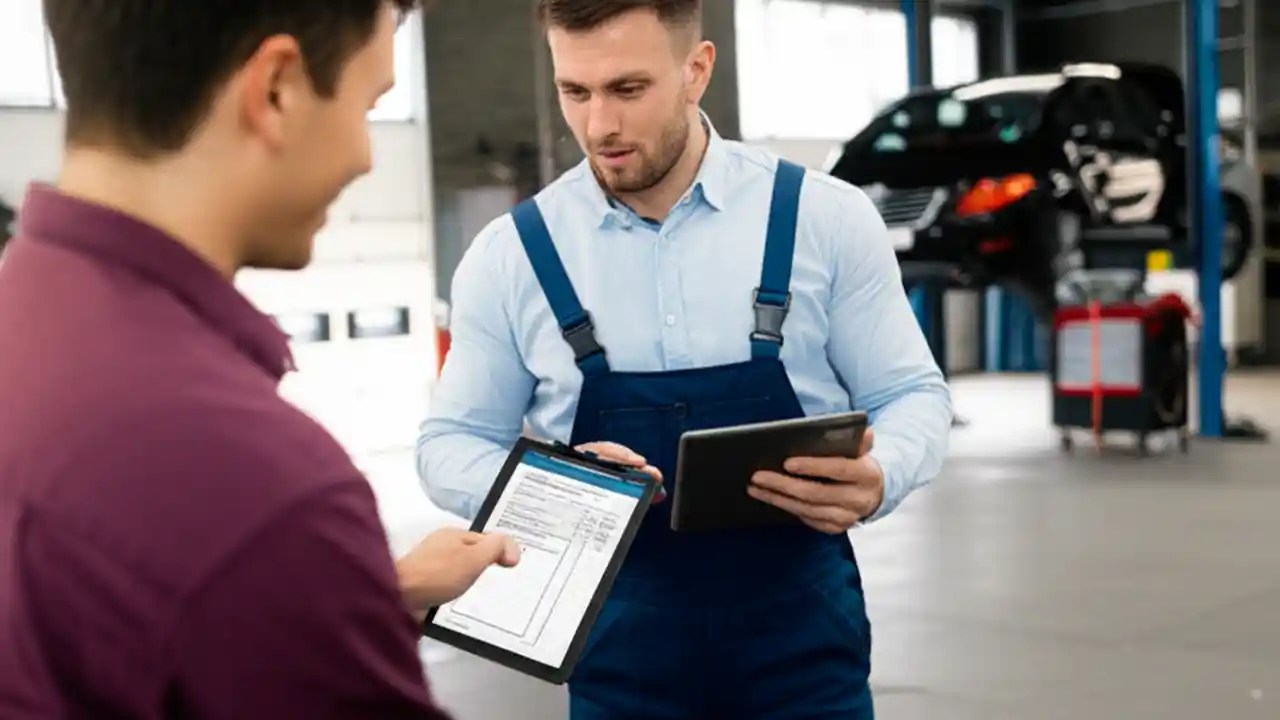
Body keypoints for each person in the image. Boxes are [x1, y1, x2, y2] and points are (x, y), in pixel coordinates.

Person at [417, 0, 952, 717]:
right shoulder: (511, 255)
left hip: (805, 656)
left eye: (627, 89)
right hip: (620, 656)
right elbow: (451, 444)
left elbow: (913, 392)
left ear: (696, 70)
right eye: (575, 92)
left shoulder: (825, 219)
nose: (599, 125)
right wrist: (564, 484)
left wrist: (881, 474)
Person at [0, 2, 519, 718]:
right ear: (276, 89)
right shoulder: (264, 490)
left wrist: (362, 595)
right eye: (368, 104)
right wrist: (309, 570)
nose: (367, 156)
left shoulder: (26, 325)